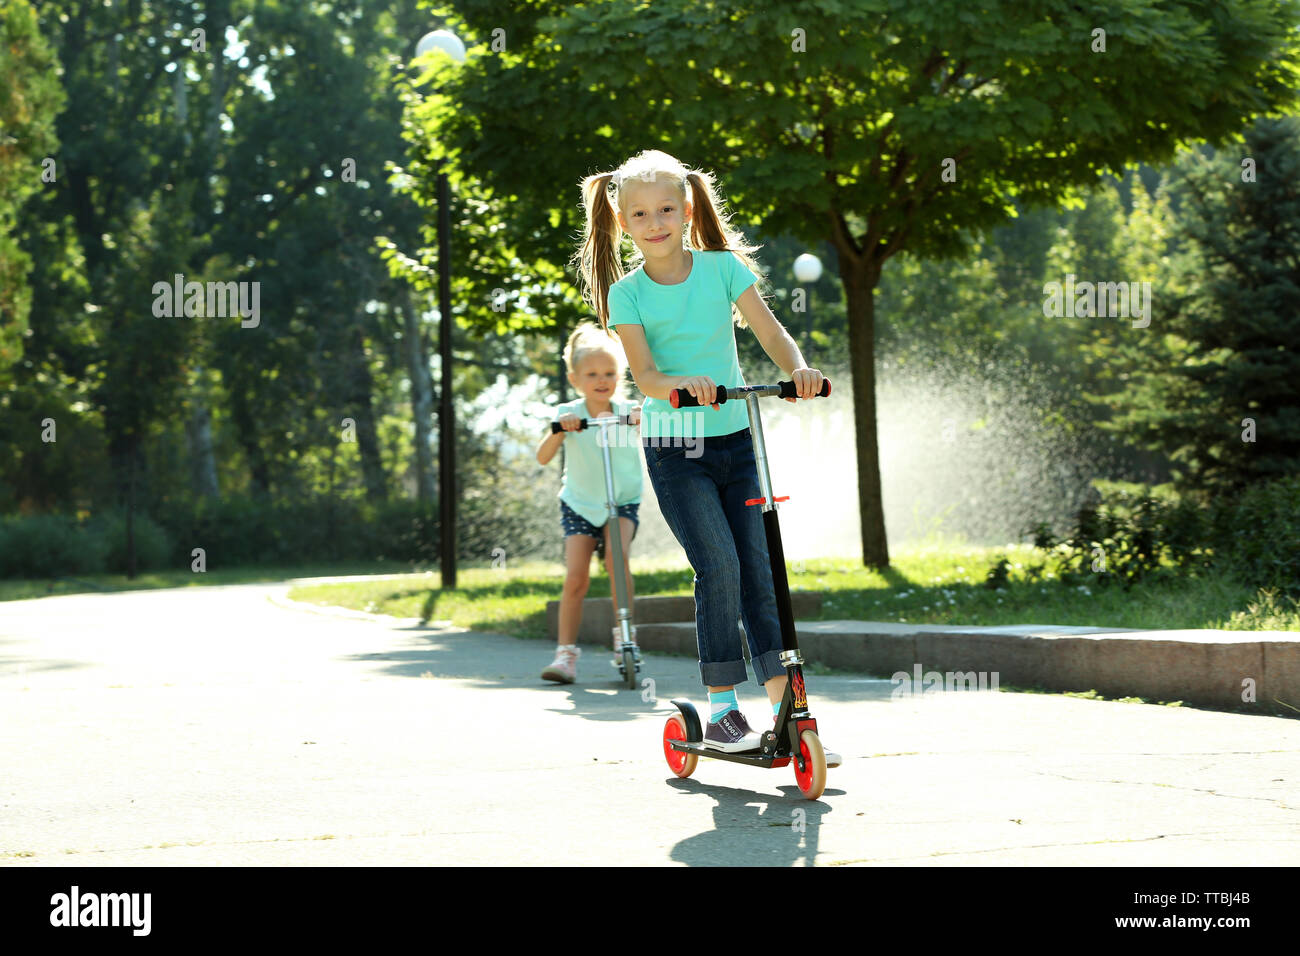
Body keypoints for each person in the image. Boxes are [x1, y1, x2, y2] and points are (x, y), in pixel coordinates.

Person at [571, 149, 839, 763]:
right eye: (640, 214)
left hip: (736, 442)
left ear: (688, 208)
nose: (656, 222)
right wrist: (677, 387)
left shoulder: (722, 270)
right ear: (623, 221)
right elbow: (644, 372)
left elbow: (769, 330)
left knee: (761, 569)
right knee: (718, 565)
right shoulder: (628, 293)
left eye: (667, 209)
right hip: (675, 448)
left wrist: (796, 369)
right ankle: (721, 708)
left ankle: (786, 713)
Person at [536, 322, 642, 684]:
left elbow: (661, 430)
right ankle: (565, 654)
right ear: (575, 378)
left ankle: (624, 637)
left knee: (617, 560)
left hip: (621, 501)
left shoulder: (629, 409)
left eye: (610, 373)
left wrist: (644, 419)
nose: (602, 380)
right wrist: (560, 428)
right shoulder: (569, 412)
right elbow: (543, 457)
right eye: (592, 374)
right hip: (580, 504)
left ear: (620, 376)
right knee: (577, 577)